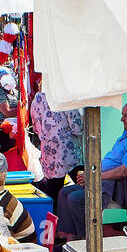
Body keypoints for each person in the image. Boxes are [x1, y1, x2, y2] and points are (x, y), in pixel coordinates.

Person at [57, 98, 127, 242]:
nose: (121, 119)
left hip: (109, 187)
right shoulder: (125, 136)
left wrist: (94, 177)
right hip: (99, 180)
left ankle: (88, 240)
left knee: (76, 199)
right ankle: (71, 238)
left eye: (126, 116)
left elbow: (124, 171)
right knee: (64, 193)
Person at [28, 74, 83, 209]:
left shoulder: (38, 98)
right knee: (81, 188)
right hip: (69, 150)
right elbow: (77, 127)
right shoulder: (65, 97)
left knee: (53, 193)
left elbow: (36, 127)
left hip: (49, 150)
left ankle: (55, 225)